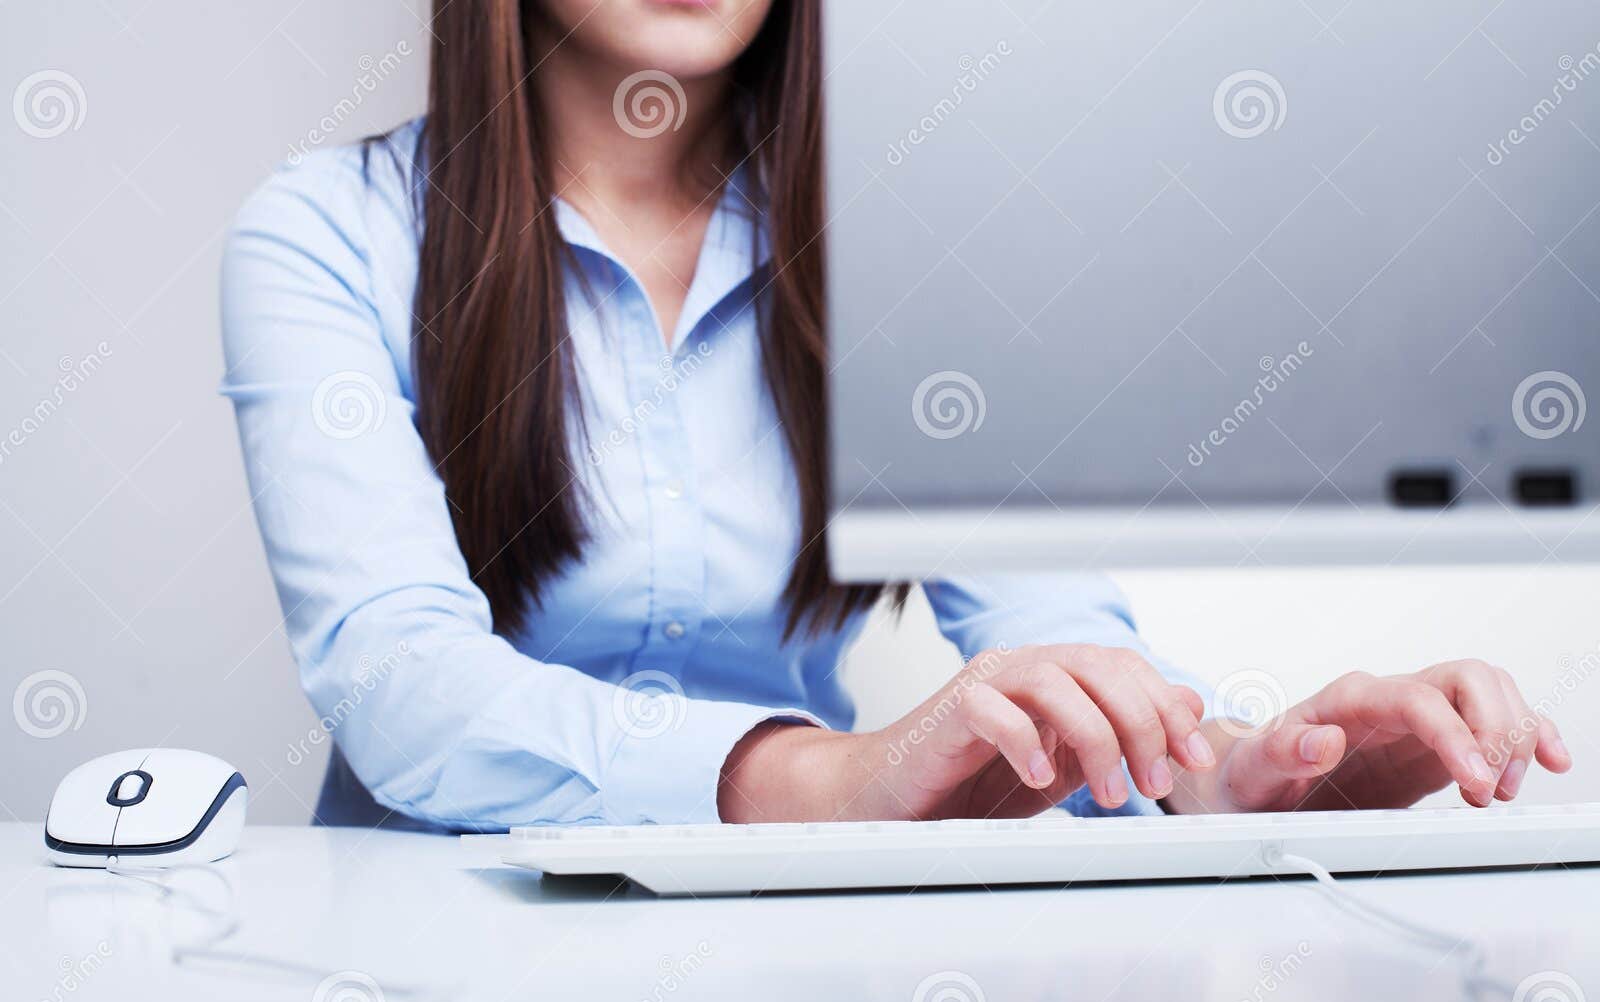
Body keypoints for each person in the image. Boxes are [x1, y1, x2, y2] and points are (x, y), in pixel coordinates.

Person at [220, 0, 1571, 831]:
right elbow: (400, 680)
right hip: (432, 954)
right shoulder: (328, 232)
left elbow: (1059, 640)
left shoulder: (901, 240)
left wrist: (1252, 767)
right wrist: (834, 783)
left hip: (794, 945)